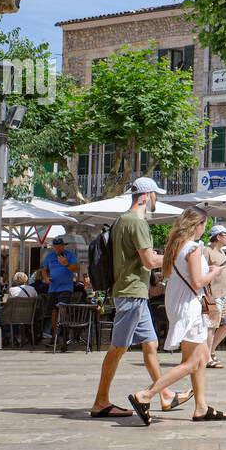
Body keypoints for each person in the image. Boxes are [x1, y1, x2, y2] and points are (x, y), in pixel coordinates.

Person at [90, 178, 187, 421]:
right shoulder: (137, 223)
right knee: (117, 348)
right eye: (156, 195)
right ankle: (100, 402)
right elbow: (148, 261)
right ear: (146, 196)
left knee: (150, 344)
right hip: (131, 292)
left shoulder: (122, 220)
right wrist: (178, 255)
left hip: (134, 293)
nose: (157, 200)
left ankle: (164, 394)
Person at [125, 208, 226, 424]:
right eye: (204, 225)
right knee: (192, 362)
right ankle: (146, 395)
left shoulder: (177, 247)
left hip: (178, 303)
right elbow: (198, 282)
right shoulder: (193, 248)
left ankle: (201, 407)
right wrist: (214, 272)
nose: (204, 230)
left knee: (199, 360)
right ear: (196, 225)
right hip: (189, 307)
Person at [203, 226, 226, 369]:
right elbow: (201, 270)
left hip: (225, 294)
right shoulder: (206, 251)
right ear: (217, 237)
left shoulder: (223, 252)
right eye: (225, 235)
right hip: (212, 294)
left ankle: (211, 350)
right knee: (212, 326)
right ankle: (207, 356)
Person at [39, 236, 78, 343]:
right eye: (55, 247)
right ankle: (54, 336)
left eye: (59, 246)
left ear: (63, 246)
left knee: (63, 309)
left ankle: (65, 333)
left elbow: (75, 268)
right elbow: (44, 270)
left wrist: (66, 264)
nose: (57, 249)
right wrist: (46, 278)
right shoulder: (50, 256)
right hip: (53, 288)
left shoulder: (70, 255)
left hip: (66, 288)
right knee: (54, 311)